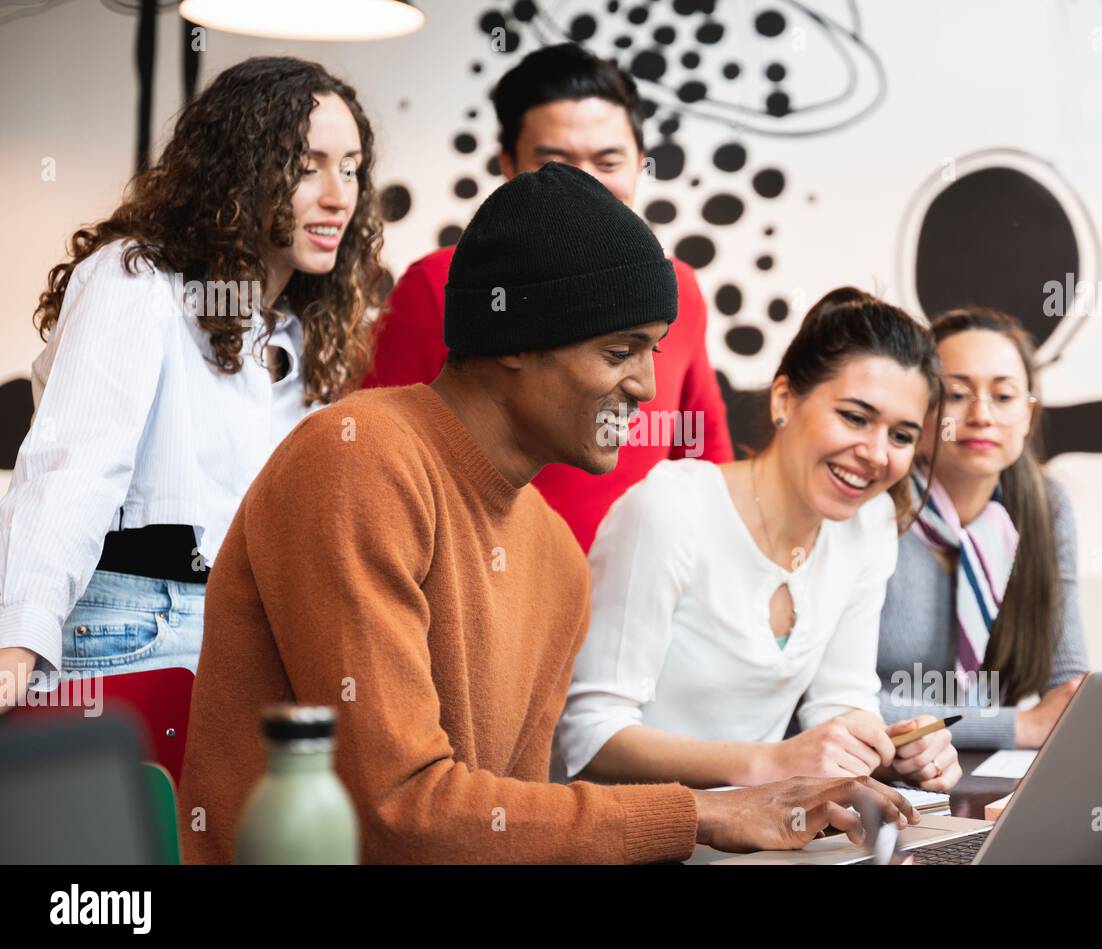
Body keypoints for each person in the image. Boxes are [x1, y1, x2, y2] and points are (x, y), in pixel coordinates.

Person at [178, 163, 919, 865]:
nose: (646, 386)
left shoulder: (556, 555)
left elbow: (508, 827)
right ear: (514, 344)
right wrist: (705, 814)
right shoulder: (357, 460)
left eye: (654, 351)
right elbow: (400, 811)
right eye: (621, 350)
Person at [0, 57, 383, 706]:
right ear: (242, 168)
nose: (338, 194)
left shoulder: (296, 334)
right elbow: (73, 468)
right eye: (307, 163)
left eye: (349, 168)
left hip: (245, 637)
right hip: (135, 625)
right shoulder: (137, 280)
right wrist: (18, 642)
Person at [557, 287, 963, 794]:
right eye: (855, 418)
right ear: (784, 400)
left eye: (902, 436)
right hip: (643, 836)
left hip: (767, 837)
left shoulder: (870, 522)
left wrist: (890, 748)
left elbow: (840, 700)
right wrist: (771, 763)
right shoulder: (671, 508)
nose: (877, 454)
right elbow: (591, 738)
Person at [363, 42, 734, 551]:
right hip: (487, 593)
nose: (587, 184)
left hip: (632, 606)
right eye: (555, 161)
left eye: (608, 160)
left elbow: (704, 455)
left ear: (640, 164)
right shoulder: (442, 287)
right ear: (508, 165)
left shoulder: (679, 291)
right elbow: (379, 450)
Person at [875, 307, 1089, 749]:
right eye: (956, 394)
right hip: (877, 769)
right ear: (920, 409)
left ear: (1028, 414)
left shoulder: (1045, 507)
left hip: (988, 778)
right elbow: (843, 704)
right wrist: (1018, 726)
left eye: (1004, 396)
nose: (982, 415)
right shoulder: (874, 507)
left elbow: (1067, 692)